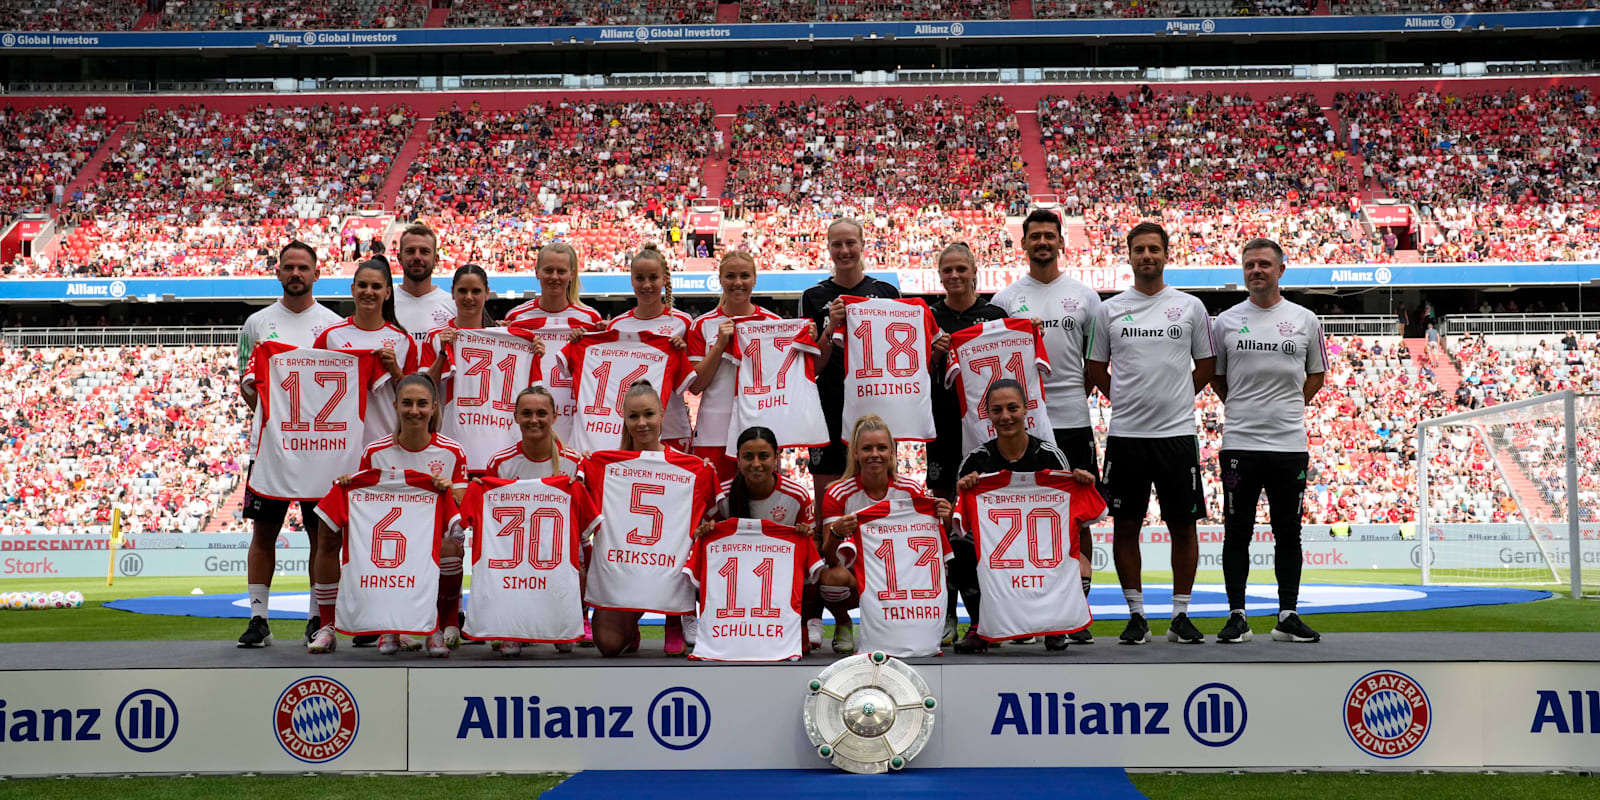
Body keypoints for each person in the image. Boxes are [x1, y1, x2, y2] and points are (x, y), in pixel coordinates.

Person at [1087, 222, 1215, 645]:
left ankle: (1181, 615)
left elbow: (1206, 367)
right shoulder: (1110, 310)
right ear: (1129, 255)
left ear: (1166, 254)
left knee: (1184, 526)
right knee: (1125, 526)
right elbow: (1095, 370)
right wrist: (1127, 399)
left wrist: (1174, 399)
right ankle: (1136, 614)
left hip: (1176, 435)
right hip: (1126, 436)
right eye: (1139, 249)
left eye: (1153, 249)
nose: (1146, 256)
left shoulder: (1190, 307)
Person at [991, 208, 1103, 644]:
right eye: (1034, 236)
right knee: (1021, 518)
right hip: (1023, 425)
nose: (1041, 243)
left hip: (1072, 418)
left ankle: (1078, 612)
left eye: (1048, 236)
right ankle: (1027, 612)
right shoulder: (1005, 299)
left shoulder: (1085, 297)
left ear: (1061, 242)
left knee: (1077, 522)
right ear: (1023, 244)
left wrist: (1074, 394)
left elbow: (1095, 363)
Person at [1209, 238, 1327, 644]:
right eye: (1249, 265)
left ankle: (1287, 614)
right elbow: (1217, 378)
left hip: (1289, 444)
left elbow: (1316, 375)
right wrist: (1245, 408)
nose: (1256, 270)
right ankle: (1237, 615)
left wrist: (1288, 407)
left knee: (1287, 532)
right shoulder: (1224, 322)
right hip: (1240, 442)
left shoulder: (1305, 319)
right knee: (1236, 531)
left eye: (1264, 264)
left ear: (1281, 270)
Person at [307, 373, 469, 656]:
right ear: (395, 406)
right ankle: (329, 626)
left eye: (422, 404)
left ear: (433, 407)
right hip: (384, 544)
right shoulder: (376, 451)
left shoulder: (452, 451)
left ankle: (439, 626)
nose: (414, 411)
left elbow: (463, 508)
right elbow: (364, 495)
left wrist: (448, 490)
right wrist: (348, 484)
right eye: (407, 403)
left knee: (450, 548)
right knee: (327, 528)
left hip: (427, 541)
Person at [236, 241, 343, 648]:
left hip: (320, 453)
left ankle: (318, 618)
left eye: (304, 268)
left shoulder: (332, 326)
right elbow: (247, 386)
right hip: (270, 450)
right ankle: (258, 618)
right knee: (263, 533)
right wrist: (278, 421)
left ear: (317, 273)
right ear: (278, 272)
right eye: (289, 267)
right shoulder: (256, 323)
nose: (296, 274)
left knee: (322, 537)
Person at [949, 378, 1095, 652]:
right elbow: (960, 524)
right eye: (997, 410)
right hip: (996, 553)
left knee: (1082, 567)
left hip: (1039, 549)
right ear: (988, 414)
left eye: (1012, 408)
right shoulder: (976, 460)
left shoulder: (1050, 455)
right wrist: (963, 490)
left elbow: (1075, 519)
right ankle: (981, 625)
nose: (1005, 416)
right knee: (956, 549)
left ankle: (1056, 625)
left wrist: (1080, 483)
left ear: (1027, 409)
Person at [586, 381, 717, 657]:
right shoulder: (605, 465)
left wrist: (706, 473)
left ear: (661, 415)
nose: (642, 423)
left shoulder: (691, 469)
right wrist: (585, 464)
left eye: (648, 414)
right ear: (624, 419)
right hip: (624, 573)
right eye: (633, 416)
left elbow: (707, 524)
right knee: (608, 644)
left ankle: (675, 619)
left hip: (666, 575)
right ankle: (632, 627)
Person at [816, 415, 952, 654]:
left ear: (892, 452)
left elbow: (933, 544)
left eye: (881, 447)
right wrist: (837, 533)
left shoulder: (910, 490)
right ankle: (843, 622)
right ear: (856, 453)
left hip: (900, 580)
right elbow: (829, 556)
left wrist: (945, 516)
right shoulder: (838, 493)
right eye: (867, 448)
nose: (874, 454)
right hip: (857, 577)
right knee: (831, 579)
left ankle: (915, 626)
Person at [925, 242, 1006, 644]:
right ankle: (948, 613)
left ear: (975, 270)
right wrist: (933, 357)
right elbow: (913, 381)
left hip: (988, 434)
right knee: (943, 519)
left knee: (986, 524)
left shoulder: (995, 316)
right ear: (938, 275)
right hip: (941, 430)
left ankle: (994, 613)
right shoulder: (929, 317)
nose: (954, 276)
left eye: (961, 268)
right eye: (947, 270)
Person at [800, 219, 901, 512]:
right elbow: (812, 369)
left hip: (876, 402)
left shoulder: (887, 292)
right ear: (828, 248)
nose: (844, 250)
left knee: (879, 483)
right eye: (837, 244)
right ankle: (829, 548)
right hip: (829, 403)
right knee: (827, 493)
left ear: (862, 245)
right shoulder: (813, 297)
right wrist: (830, 326)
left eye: (850, 243)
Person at [713, 426, 819, 649]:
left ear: (776, 458)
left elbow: (812, 547)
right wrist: (706, 531)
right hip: (736, 580)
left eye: (763, 456)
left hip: (781, 578)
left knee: (816, 571)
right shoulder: (722, 496)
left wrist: (806, 535)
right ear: (738, 460)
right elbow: (707, 542)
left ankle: (799, 623)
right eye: (748, 457)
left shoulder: (796, 495)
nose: (756, 464)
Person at [687, 252, 781, 482]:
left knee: (758, 506)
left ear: (755, 279)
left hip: (761, 430)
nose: (738, 282)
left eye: (744, 276)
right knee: (714, 508)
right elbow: (696, 386)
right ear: (720, 279)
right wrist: (719, 345)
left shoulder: (775, 324)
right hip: (713, 432)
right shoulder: (702, 325)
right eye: (730, 276)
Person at [314, 259, 416, 448]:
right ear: (353, 289)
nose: (368, 292)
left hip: (387, 442)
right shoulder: (330, 337)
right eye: (362, 285)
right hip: (339, 443)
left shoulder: (403, 341)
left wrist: (396, 372)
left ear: (387, 293)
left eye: (376, 286)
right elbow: (311, 391)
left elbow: (414, 399)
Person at [607, 244, 695, 449]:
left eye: (653, 278)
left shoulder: (683, 322)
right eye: (640, 278)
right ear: (631, 280)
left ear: (664, 279)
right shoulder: (616, 326)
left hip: (672, 428)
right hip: (632, 431)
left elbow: (694, 381)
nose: (646, 284)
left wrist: (682, 352)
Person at [485, 386, 584, 480]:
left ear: (554, 417)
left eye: (541, 414)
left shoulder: (576, 463)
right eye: (526, 413)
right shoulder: (499, 463)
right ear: (516, 417)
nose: (533, 420)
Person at [504, 242, 603, 328]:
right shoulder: (515, 317)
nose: (554, 277)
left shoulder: (591, 319)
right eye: (548, 270)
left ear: (572, 275)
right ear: (537, 272)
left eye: (561, 271)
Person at [392, 223, 456, 345]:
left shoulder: (453, 306)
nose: (417, 257)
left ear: (436, 259)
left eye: (424, 251)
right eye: (410, 251)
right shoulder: (384, 305)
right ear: (399, 258)